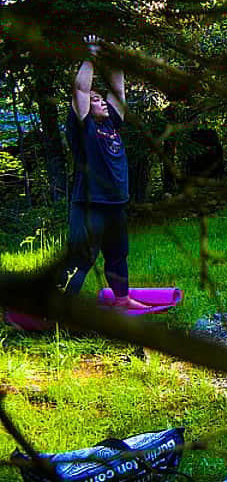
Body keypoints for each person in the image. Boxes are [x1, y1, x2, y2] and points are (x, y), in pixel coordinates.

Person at [59, 35, 150, 311]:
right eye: (96, 100)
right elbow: (80, 89)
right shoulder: (83, 127)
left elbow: (118, 91)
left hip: (115, 205)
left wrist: (117, 59)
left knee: (118, 255)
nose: (101, 103)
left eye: (101, 99)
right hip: (90, 205)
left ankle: (121, 299)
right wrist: (91, 54)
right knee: (81, 259)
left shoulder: (111, 125)